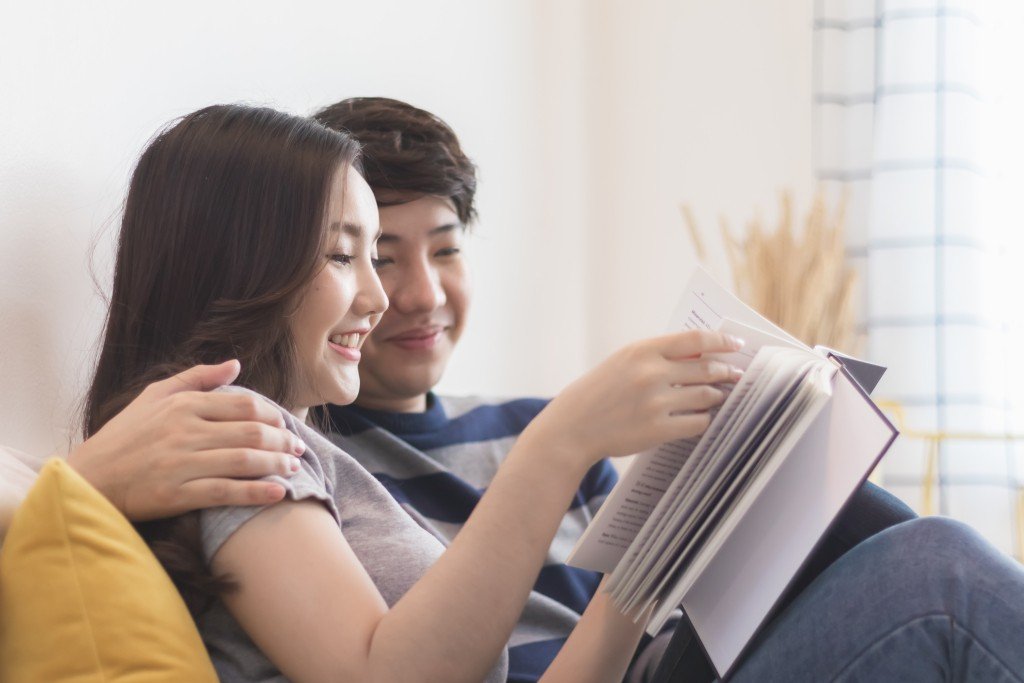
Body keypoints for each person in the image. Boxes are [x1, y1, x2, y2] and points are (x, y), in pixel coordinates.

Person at [85, 103, 1024, 683]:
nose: (384, 295)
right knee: (935, 573)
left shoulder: (276, 450)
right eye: (351, 255)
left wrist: (653, 547)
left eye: (437, 249)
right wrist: (561, 443)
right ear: (247, 261)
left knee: (851, 512)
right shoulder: (230, 441)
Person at [307, 97, 920, 680]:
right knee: (940, 573)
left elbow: (666, 637)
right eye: (382, 258)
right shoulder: (309, 468)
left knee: (886, 534)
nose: (425, 296)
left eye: (446, 250)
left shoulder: (532, 425)